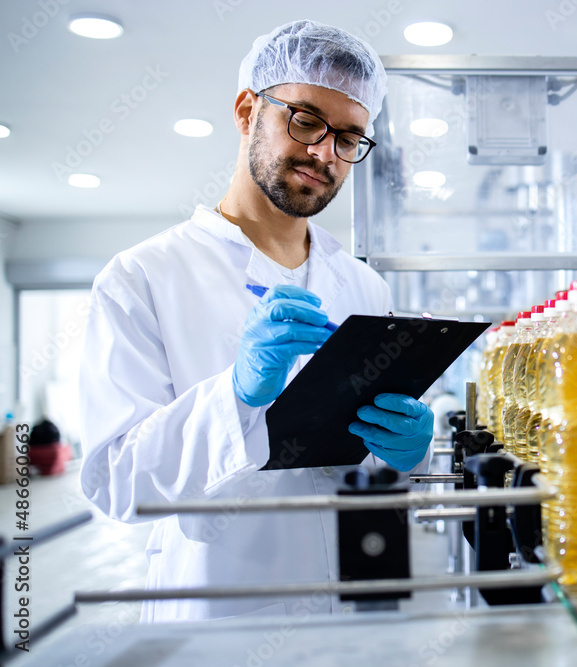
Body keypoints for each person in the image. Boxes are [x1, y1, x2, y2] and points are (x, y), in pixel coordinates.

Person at [79, 20, 434, 622]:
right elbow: (115, 483)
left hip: (350, 614)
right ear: (248, 111)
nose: (325, 153)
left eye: (349, 137)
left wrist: (407, 456)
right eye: (307, 121)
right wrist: (234, 397)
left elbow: (366, 471)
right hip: (218, 617)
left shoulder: (363, 286)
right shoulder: (142, 277)